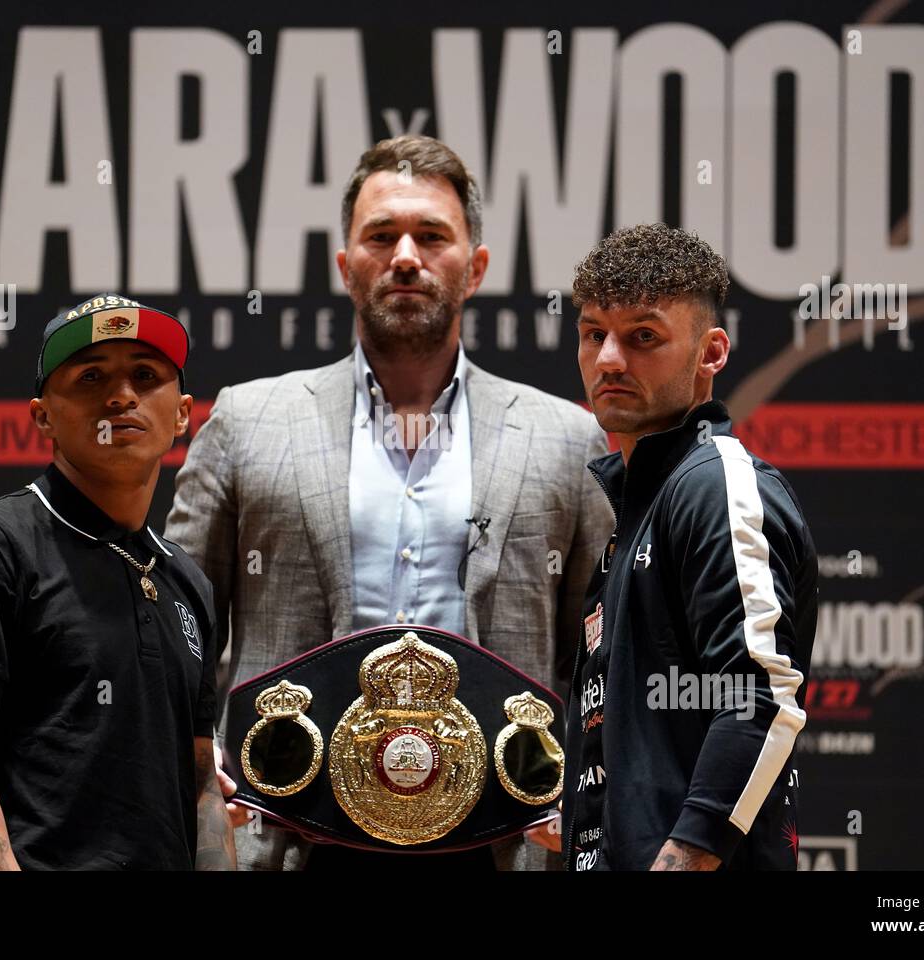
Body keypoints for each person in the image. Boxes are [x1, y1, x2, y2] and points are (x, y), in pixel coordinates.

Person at [165, 135, 613, 870]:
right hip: (291, 838)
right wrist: (198, 792)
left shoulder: (567, 437)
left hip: (500, 844)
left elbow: (601, 662)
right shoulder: (246, 424)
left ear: (476, 267)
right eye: (381, 235)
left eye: (432, 235)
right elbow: (175, 640)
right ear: (346, 266)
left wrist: (588, 806)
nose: (406, 255)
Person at [0, 295, 235, 870]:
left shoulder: (188, 582)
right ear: (42, 416)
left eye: (144, 374)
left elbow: (203, 780)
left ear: (183, 414)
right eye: (90, 376)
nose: (120, 395)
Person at [561, 224, 817, 871]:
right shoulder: (643, 502)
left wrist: (687, 853)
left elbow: (760, 697)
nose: (610, 359)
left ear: (712, 353)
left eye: (642, 336)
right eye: (595, 334)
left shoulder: (714, 485)